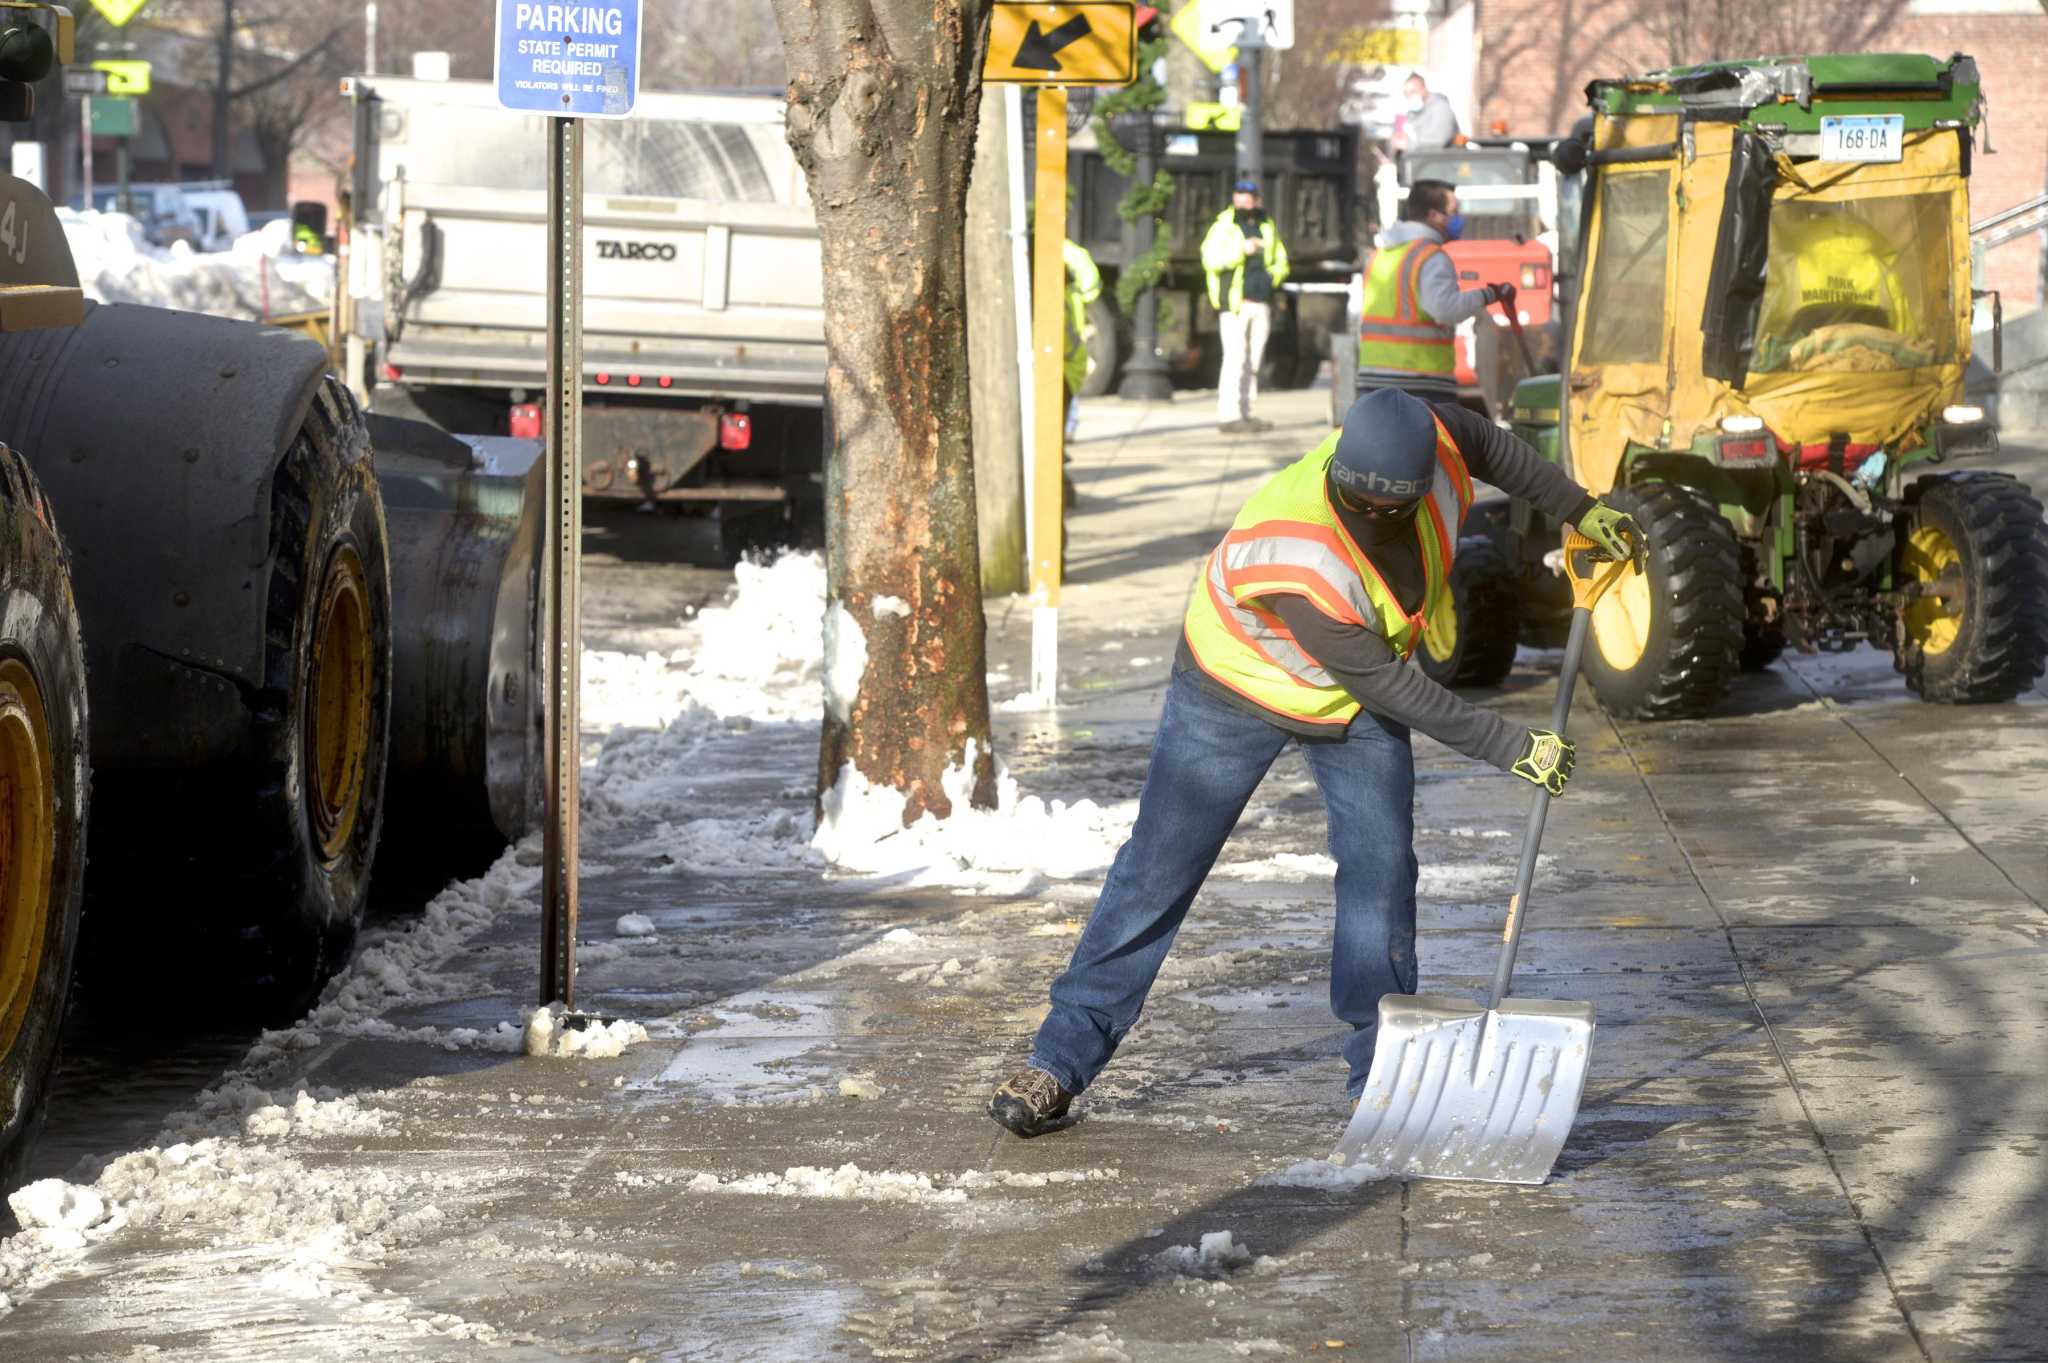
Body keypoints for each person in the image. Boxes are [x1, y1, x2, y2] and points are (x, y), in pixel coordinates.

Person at [988, 388, 1645, 1138]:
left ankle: (1382, 1080)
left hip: (1354, 698)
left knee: (1381, 871)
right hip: (1232, 685)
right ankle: (1059, 1058)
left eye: (1386, 508)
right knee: (1158, 869)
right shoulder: (1301, 546)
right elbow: (1391, 685)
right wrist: (1512, 747)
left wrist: (1579, 504)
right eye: (1357, 502)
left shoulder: (1431, 436)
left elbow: (1493, 447)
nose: (1370, 517)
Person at [1357, 179, 1515, 402]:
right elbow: (1445, 309)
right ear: (1433, 216)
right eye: (1453, 212)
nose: (1458, 219)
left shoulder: (1381, 256)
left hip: (1373, 381)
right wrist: (1489, 294)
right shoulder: (1430, 257)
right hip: (1419, 383)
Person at [1200, 179, 1290, 435]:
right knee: (1234, 359)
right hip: (1235, 304)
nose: (1244, 199)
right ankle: (1228, 414)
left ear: (1256, 199)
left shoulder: (1266, 225)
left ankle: (1246, 412)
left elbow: (1281, 260)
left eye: (1249, 195)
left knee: (1253, 361)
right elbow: (1210, 259)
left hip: (1260, 302)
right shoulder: (1223, 227)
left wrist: (1271, 278)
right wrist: (1242, 250)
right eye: (1239, 194)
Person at [1064, 238, 1103, 441]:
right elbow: (1091, 287)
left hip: (1064, 332)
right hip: (1071, 327)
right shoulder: (1073, 252)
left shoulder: (1063, 252)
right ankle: (1067, 429)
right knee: (1069, 383)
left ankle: (1065, 431)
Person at [1391, 73, 1460, 153]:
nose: (1409, 96)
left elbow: (1438, 141)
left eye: (1413, 91)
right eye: (1406, 93)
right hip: (1423, 162)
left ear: (1423, 89)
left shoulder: (1441, 108)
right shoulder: (1412, 114)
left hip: (1445, 161)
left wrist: (1408, 145)